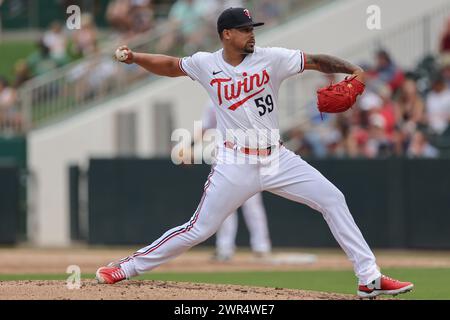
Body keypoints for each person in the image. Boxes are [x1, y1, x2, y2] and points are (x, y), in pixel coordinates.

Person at [96, 7, 413, 298]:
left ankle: (369, 278)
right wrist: (135, 56)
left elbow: (316, 60)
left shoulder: (272, 57)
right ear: (227, 35)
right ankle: (125, 268)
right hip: (235, 162)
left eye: (252, 28)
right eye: (245, 29)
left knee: (333, 199)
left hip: (278, 158)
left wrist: (354, 69)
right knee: (199, 229)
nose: (252, 33)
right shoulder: (207, 64)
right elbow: (170, 65)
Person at [200, 99, 272, 261]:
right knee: (225, 205)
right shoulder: (212, 103)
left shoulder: (248, 98)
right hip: (226, 159)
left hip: (249, 157)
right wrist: (189, 145)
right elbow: (205, 128)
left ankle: (261, 247)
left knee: (252, 205)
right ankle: (225, 248)